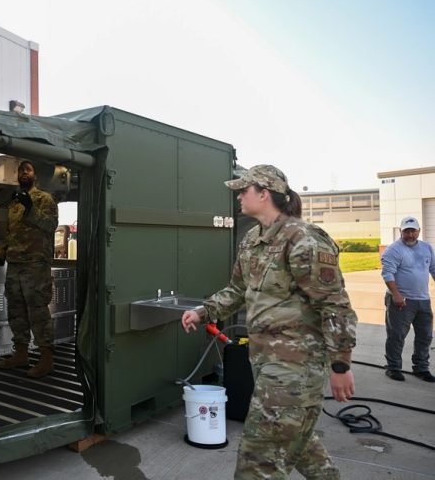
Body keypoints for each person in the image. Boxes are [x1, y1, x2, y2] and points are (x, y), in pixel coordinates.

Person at [181, 164, 357, 480]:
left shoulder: (303, 240)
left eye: (243, 191)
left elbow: (335, 306)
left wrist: (340, 364)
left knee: (257, 462)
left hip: (295, 370)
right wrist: (204, 311)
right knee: (302, 446)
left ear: (264, 194)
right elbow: (237, 289)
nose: (238, 197)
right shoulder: (252, 239)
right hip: (264, 364)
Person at [0, 160, 58, 378]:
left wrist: (31, 209)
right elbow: (12, 234)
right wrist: (1, 253)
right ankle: (21, 354)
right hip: (15, 265)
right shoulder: (15, 205)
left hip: (36, 264)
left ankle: (46, 359)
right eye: (20, 170)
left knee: (37, 310)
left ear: (35, 175)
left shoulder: (44, 199)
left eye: (27, 169)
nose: (23, 173)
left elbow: (51, 225)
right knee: (16, 311)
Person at [380, 216, 435, 382]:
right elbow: (387, 273)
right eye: (406, 231)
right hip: (401, 300)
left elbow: (433, 268)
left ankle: (421, 368)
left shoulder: (427, 248)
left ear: (419, 231)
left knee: (425, 336)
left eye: (413, 231)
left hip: (423, 300)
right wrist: (397, 295)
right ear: (400, 231)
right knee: (396, 335)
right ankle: (393, 367)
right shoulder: (393, 250)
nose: (410, 235)